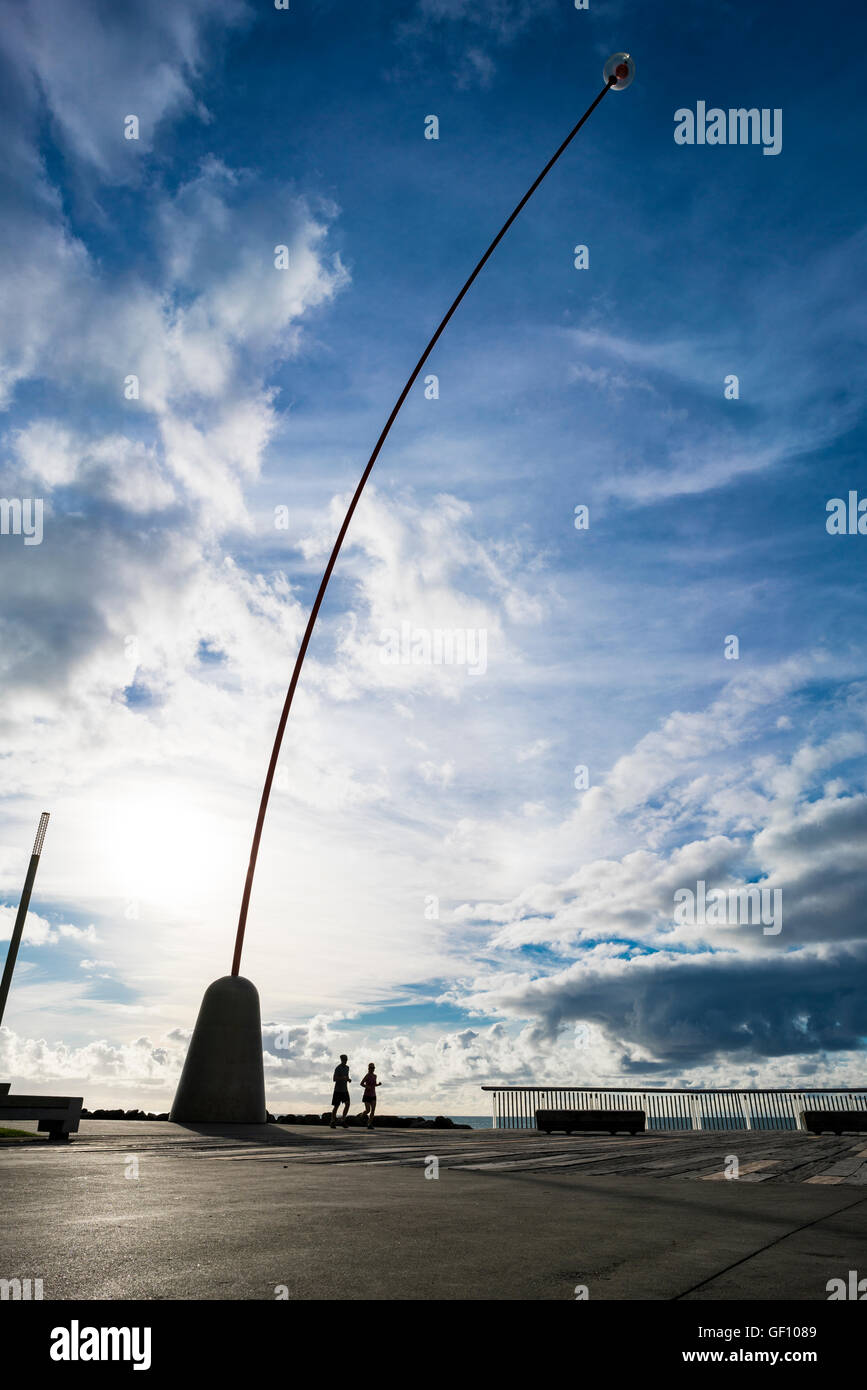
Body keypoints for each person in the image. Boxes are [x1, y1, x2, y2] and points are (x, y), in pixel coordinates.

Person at [330, 1054, 351, 1128]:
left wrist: (348, 1079)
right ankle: (332, 1121)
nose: (345, 1061)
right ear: (341, 1060)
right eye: (344, 1059)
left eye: (346, 1059)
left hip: (345, 1090)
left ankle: (343, 1120)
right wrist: (342, 1078)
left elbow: (347, 1076)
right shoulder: (338, 1068)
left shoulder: (347, 1068)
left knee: (347, 1104)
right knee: (336, 1106)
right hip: (338, 1090)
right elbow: (334, 1079)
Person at [361, 1062, 379, 1129]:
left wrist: (378, 1084)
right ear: (368, 1068)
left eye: (373, 1068)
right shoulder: (367, 1075)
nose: (372, 1069)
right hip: (367, 1095)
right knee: (368, 1110)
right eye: (371, 1068)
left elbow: (374, 1085)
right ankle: (362, 1115)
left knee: (373, 1110)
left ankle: (369, 1124)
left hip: (373, 1095)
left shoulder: (375, 1076)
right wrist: (366, 1086)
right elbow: (361, 1083)